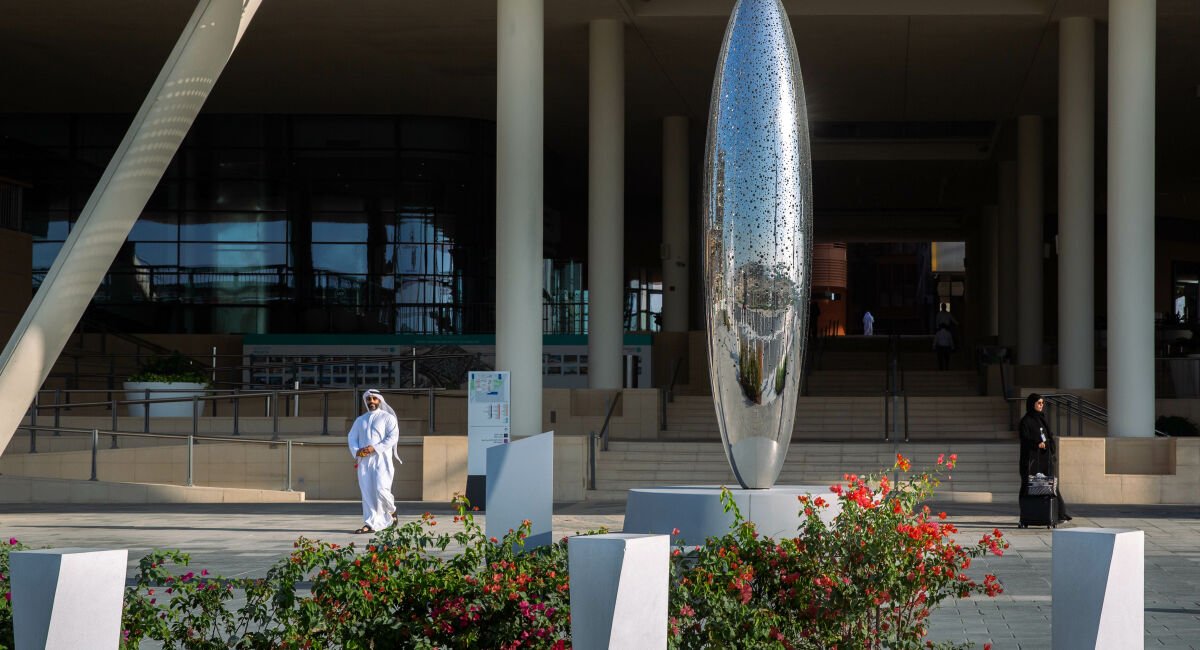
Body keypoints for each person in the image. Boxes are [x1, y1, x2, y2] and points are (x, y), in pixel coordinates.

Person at [347, 388, 400, 534]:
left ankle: (391, 510)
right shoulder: (360, 420)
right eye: (369, 399)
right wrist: (357, 451)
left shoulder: (388, 418)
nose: (371, 402)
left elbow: (392, 437)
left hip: (382, 460)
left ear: (379, 400)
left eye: (374, 399)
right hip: (364, 461)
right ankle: (370, 524)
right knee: (368, 492)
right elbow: (351, 437)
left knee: (381, 489)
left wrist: (374, 448)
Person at [1018, 393, 1072, 522]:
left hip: (1044, 460)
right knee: (1027, 487)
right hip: (1030, 461)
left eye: (1042, 403)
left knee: (1050, 486)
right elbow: (1024, 440)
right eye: (1039, 403)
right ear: (1032, 404)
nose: (1041, 405)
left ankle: (1058, 514)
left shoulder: (1042, 419)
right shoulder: (1026, 421)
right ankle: (1027, 515)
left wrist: (1048, 445)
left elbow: (1049, 436)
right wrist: (1036, 443)